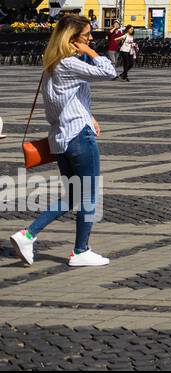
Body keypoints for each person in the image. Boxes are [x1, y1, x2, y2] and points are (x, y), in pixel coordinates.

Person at [10, 14, 116, 267]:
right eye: (86, 35)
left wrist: (88, 114)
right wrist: (90, 51)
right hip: (79, 136)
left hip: (61, 138)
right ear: (72, 38)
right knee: (88, 195)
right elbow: (109, 71)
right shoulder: (68, 63)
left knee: (73, 194)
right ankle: (81, 251)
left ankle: (28, 235)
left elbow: (60, 103)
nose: (90, 39)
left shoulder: (52, 64)